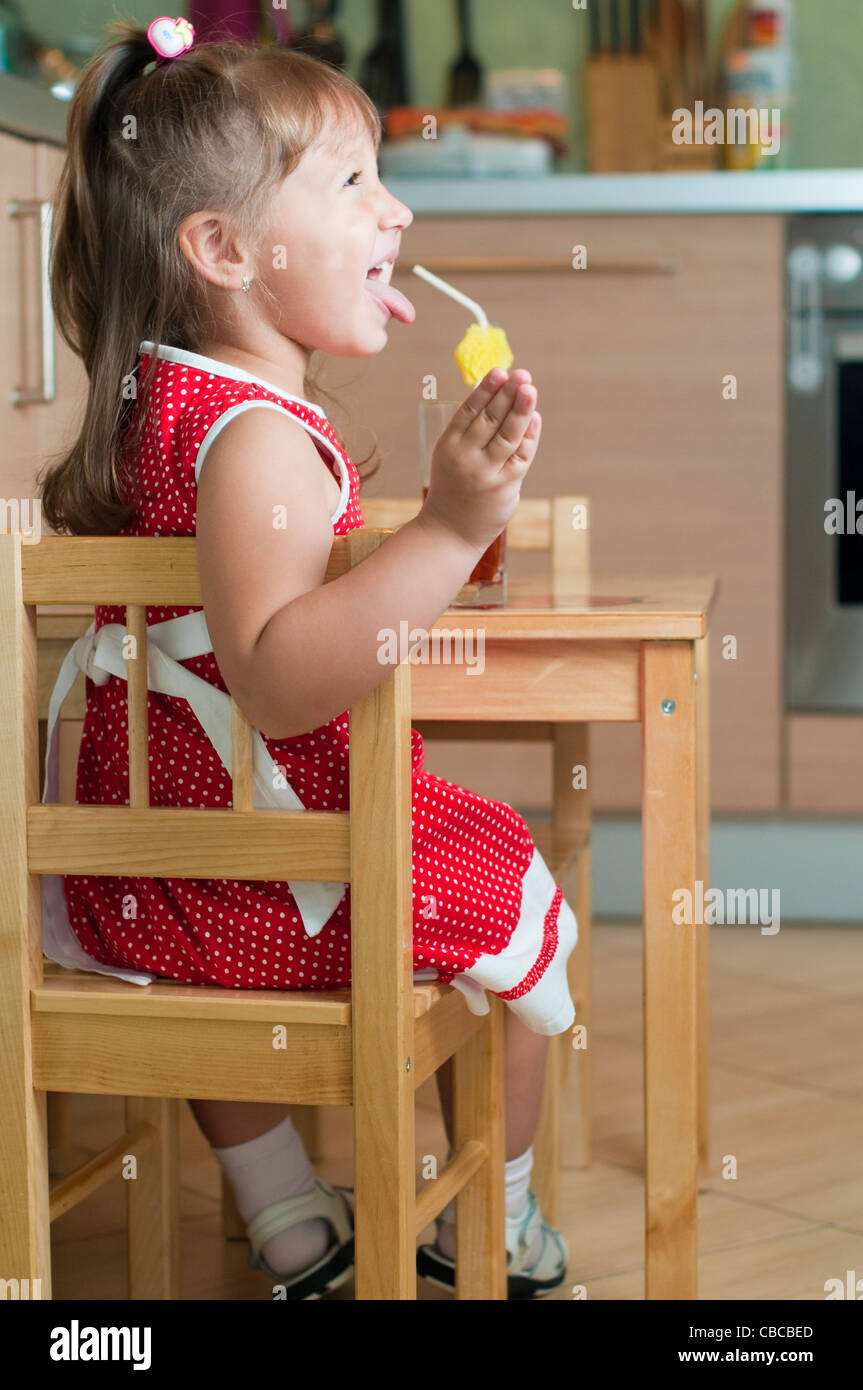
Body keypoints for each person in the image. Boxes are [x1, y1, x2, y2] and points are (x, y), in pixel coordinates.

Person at [38, 20, 578, 1300]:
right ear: (225, 252)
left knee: (232, 946)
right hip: (263, 880)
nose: (393, 209)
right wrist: (449, 528)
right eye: (351, 184)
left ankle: (289, 1221)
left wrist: (446, 538)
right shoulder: (253, 439)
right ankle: (492, 1227)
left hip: (154, 879)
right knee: (516, 890)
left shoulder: (171, 405)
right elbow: (280, 678)